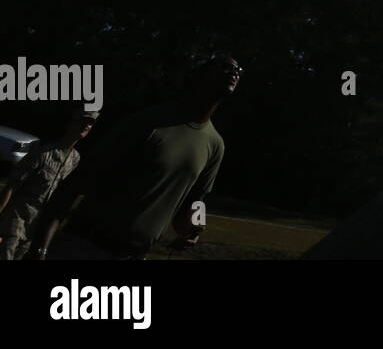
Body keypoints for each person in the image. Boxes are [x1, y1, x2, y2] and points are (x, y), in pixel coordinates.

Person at [33, 54, 240, 260]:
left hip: (136, 255)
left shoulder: (215, 145)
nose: (233, 72)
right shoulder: (148, 122)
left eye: (238, 71)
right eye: (224, 67)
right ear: (198, 76)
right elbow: (74, 184)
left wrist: (193, 227)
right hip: (86, 246)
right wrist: (40, 248)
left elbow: (197, 199)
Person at [0, 109, 97, 260]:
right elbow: (13, 185)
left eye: (90, 124)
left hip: (35, 226)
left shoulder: (75, 159)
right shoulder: (43, 151)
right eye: (83, 122)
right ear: (72, 123)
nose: (86, 126)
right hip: (16, 218)